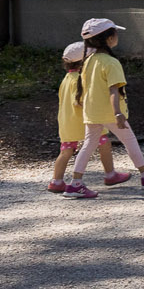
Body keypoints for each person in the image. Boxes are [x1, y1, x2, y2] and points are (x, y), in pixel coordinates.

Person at [69, 19, 144, 191]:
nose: (117, 36)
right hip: (109, 113)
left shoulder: (88, 60)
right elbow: (113, 90)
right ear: (108, 38)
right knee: (129, 140)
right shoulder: (111, 62)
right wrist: (117, 113)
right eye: (115, 33)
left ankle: (75, 183)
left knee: (88, 145)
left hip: (92, 112)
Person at [47, 42, 101, 199]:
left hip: (66, 122)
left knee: (66, 151)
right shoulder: (79, 79)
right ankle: (109, 173)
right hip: (80, 123)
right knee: (102, 141)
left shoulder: (66, 78)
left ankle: (56, 181)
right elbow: (79, 101)